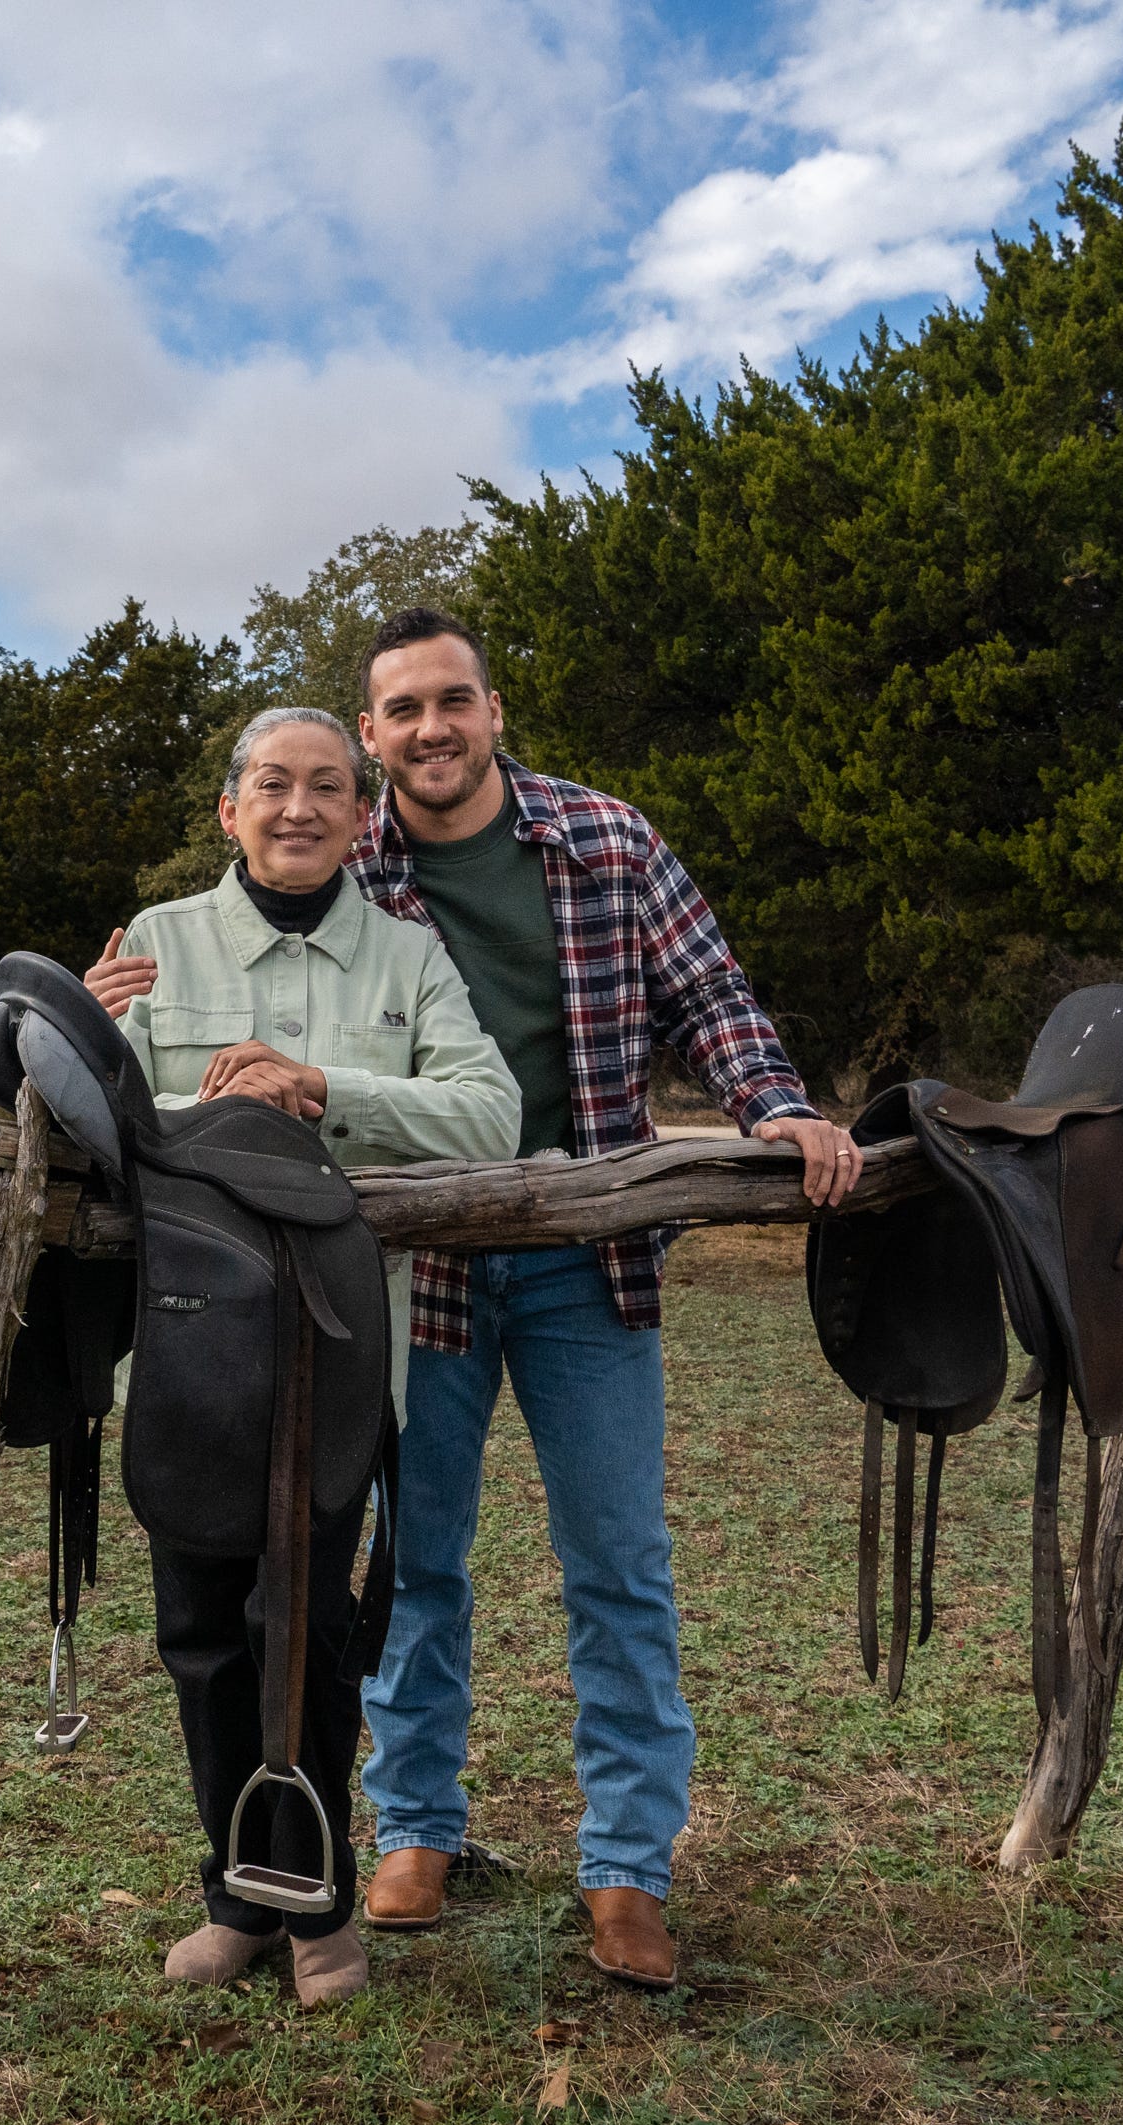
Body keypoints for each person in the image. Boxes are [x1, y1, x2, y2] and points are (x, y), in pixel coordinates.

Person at [350, 607, 860, 1987]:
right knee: (414, 1554)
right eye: (403, 710)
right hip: (420, 1254)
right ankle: (413, 1823)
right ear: (371, 734)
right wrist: (115, 1000)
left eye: (454, 700)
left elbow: (710, 995)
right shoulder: (349, 858)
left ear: (495, 710)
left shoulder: (609, 839)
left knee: (619, 1563)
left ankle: (629, 1865)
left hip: (591, 1252)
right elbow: (246, 956)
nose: (432, 728)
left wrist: (778, 1106)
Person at [89, 703, 519, 2009]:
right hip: (184, 1364)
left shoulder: (408, 960)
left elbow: (492, 1109)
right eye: (270, 784)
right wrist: (87, 1043)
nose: (296, 807)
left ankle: (320, 1902)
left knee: (318, 1631)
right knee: (203, 1634)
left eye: (326, 786)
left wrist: (322, 1088)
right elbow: (45, 1113)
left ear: (358, 815)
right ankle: (238, 1899)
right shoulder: (151, 948)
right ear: (229, 809)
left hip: (337, 1370)